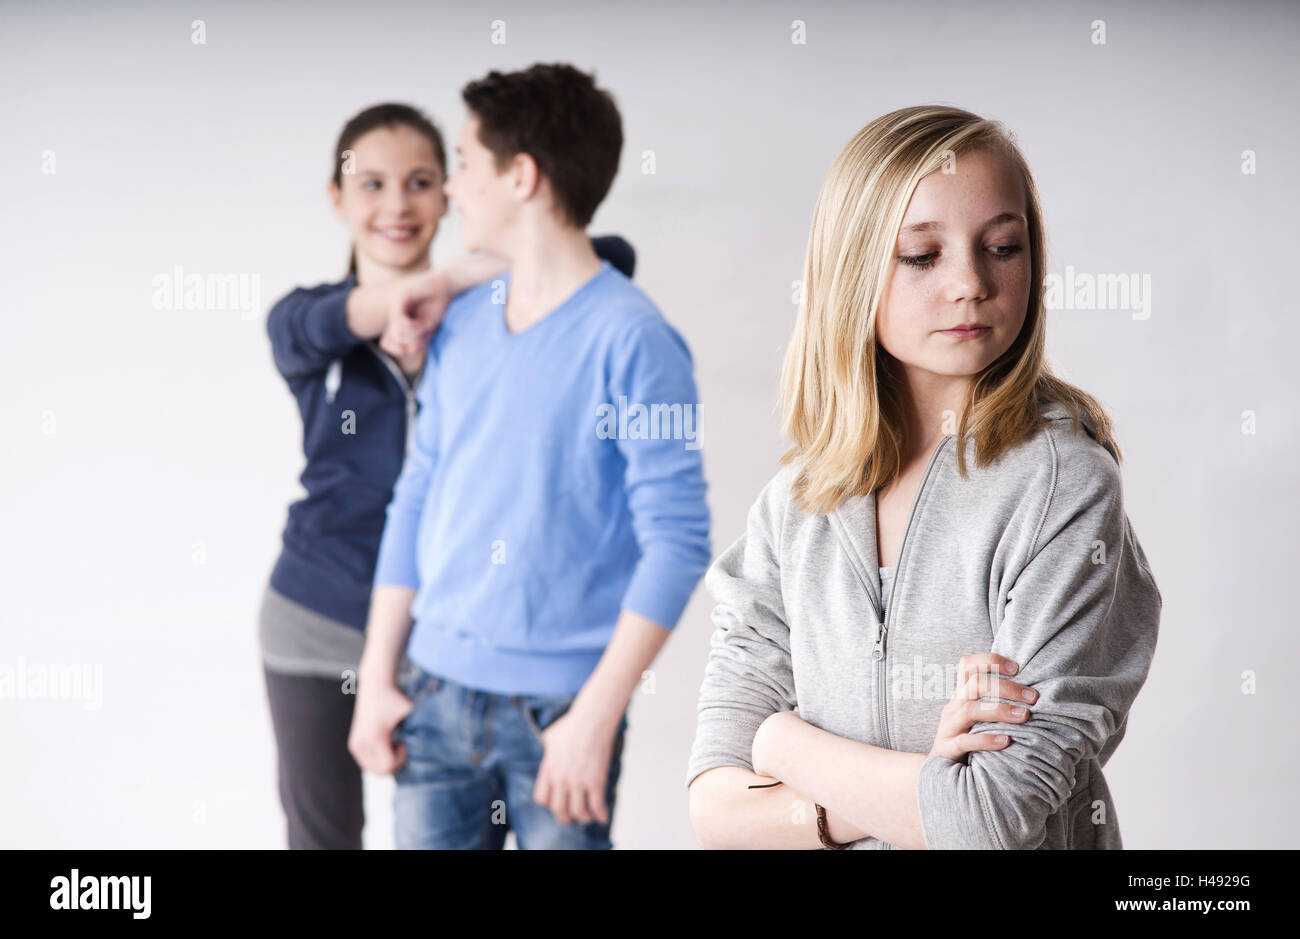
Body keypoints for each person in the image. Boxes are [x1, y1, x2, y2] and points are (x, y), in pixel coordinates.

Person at [686, 105, 1162, 850]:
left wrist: (783, 746)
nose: (971, 282)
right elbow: (715, 809)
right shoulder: (796, 504)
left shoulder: (1064, 486)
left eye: (1002, 246)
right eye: (921, 255)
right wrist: (913, 786)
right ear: (851, 270)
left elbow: (988, 820)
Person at [347, 62, 712, 850]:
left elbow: (679, 544)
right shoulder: (462, 318)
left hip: (561, 715)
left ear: (521, 176)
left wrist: (596, 715)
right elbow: (415, 495)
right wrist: (377, 677)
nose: (452, 190)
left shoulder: (639, 341)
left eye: (465, 165)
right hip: (432, 696)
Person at [261, 101, 636, 850]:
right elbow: (319, 324)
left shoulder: (500, 307)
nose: (396, 204)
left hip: (453, 637)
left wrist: (448, 285)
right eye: (370, 184)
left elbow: (608, 255)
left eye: (422, 180)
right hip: (315, 620)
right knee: (321, 839)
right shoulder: (308, 321)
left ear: (451, 193)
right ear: (337, 199)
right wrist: (404, 299)